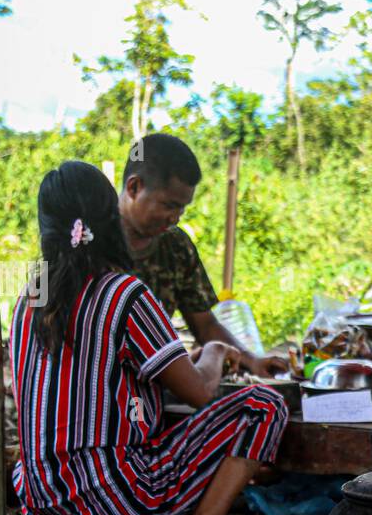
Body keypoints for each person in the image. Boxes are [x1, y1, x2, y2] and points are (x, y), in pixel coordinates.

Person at [10, 160, 289, 515]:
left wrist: (190, 360)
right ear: (110, 216)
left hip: (39, 501)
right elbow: (200, 393)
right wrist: (213, 353)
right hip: (114, 509)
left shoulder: (30, 297)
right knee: (263, 405)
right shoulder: (124, 292)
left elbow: (94, 370)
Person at [118, 133, 286, 377]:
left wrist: (253, 360)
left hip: (156, 389)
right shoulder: (85, 242)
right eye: (168, 205)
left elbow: (205, 324)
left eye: (182, 209)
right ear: (134, 187)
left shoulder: (176, 246)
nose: (175, 218)